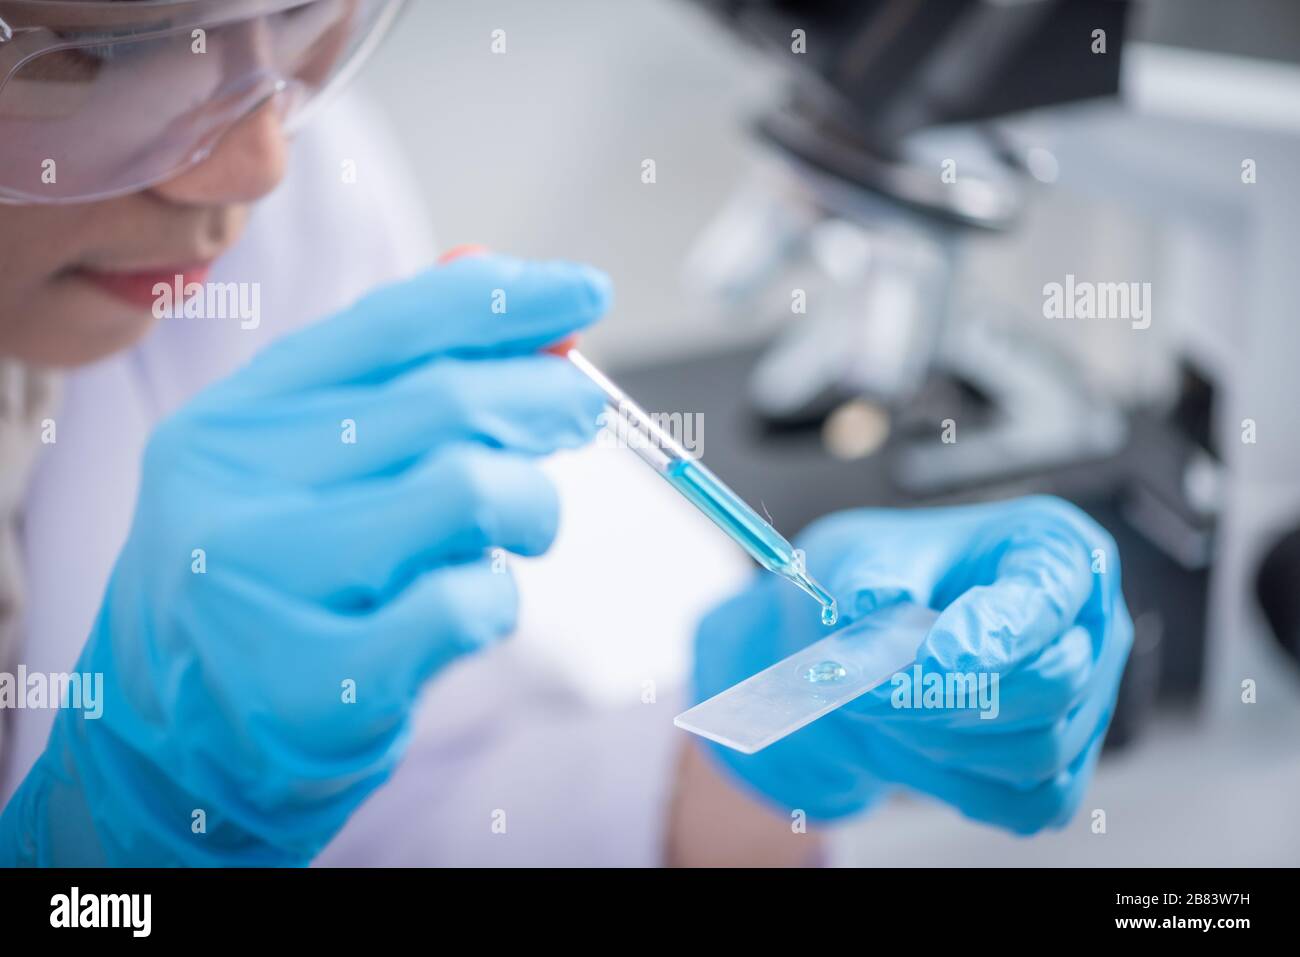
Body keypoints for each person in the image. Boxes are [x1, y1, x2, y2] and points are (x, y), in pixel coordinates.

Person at [0, 0, 1132, 866]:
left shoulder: (293, 200)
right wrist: (114, 838)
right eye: (97, 56)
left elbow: (405, 818)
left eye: (301, 16)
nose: (256, 162)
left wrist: (768, 750)